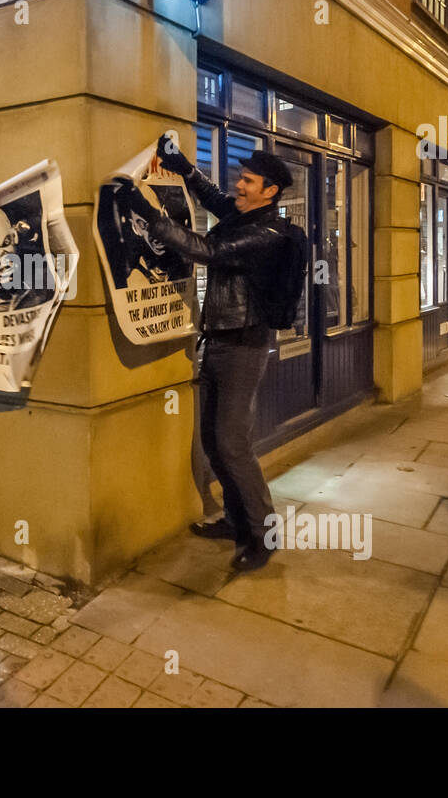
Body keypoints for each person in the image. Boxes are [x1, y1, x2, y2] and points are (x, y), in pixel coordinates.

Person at [114, 136, 308, 573]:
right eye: (241, 178)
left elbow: (209, 250)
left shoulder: (269, 232)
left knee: (233, 445)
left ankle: (264, 534)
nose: (238, 185)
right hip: (220, 341)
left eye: (248, 180)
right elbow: (214, 197)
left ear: (270, 191)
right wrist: (182, 165)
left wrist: (145, 212)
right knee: (212, 442)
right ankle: (237, 519)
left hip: (244, 345)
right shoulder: (244, 218)